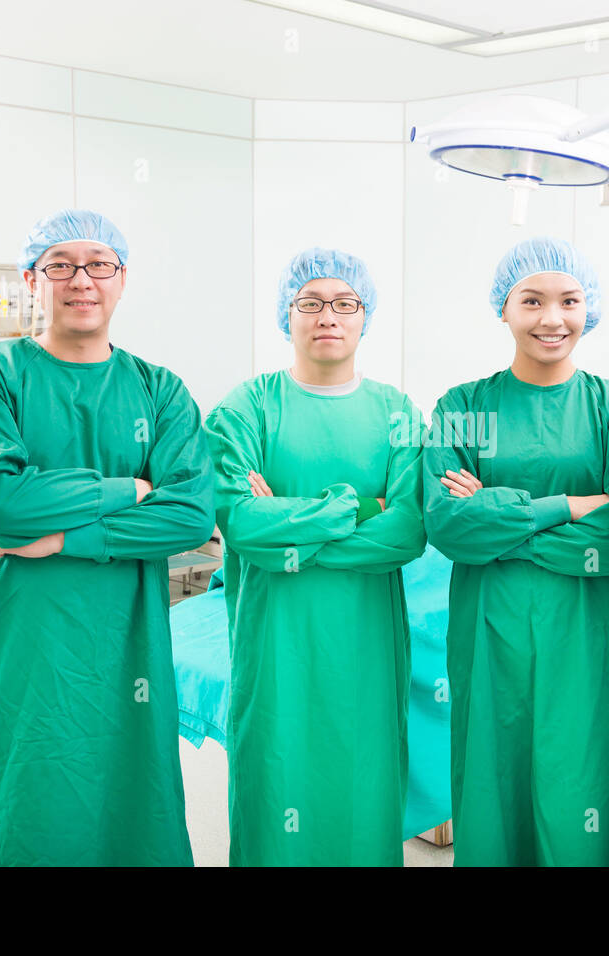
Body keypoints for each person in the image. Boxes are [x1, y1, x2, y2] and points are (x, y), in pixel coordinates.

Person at [0, 209, 216, 866]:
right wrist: (128, 489)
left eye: (99, 264)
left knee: (125, 797)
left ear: (122, 280)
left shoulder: (160, 391)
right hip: (18, 641)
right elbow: (4, 502)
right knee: (15, 796)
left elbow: (191, 517)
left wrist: (63, 540)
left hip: (124, 642)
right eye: (60, 264)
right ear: (32, 279)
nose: (81, 279)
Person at [423, 237, 609, 866]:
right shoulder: (463, 408)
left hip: (589, 632)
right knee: (496, 786)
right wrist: (570, 504)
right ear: (504, 308)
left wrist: (502, 518)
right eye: (533, 300)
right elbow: (450, 526)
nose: (553, 318)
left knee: (586, 782)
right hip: (491, 632)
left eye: (569, 300)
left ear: (588, 308)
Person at [204, 247, 426, 866]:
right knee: (277, 774)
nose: (328, 314)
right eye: (311, 302)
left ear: (365, 316)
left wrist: (292, 530)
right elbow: (244, 525)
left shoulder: (397, 413)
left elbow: (408, 532)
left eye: (344, 303)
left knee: (364, 784)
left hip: (365, 645)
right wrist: (361, 506)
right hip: (276, 642)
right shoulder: (245, 408)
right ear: (287, 314)